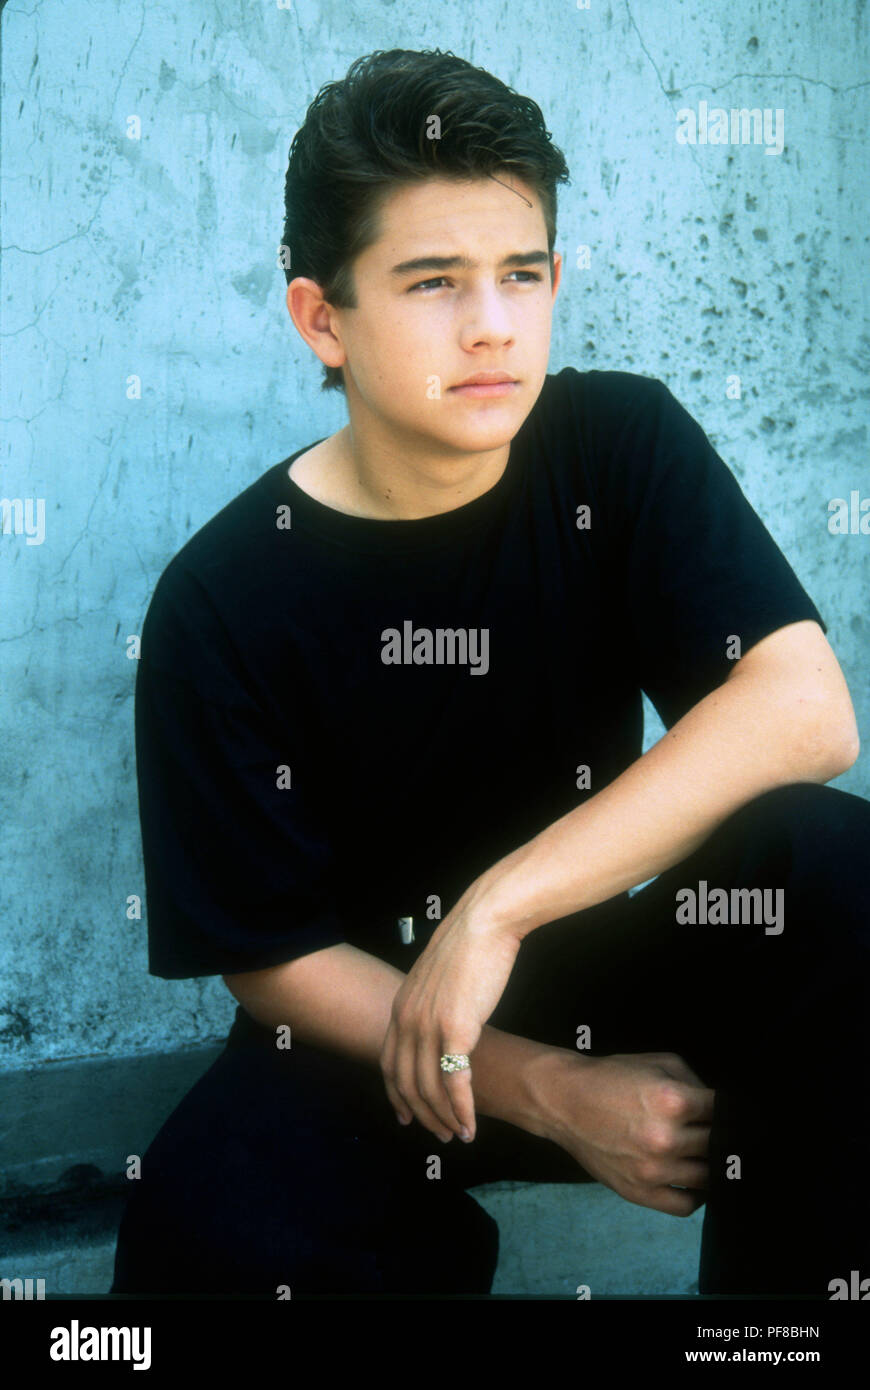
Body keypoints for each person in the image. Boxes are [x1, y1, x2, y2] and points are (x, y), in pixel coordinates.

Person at [110, 48, 867, 1298]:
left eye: (522, 274)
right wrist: (554, 1090)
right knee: (202, 1228)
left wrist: (496, 909)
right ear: (323, 317)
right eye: (432, 282)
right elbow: (272, 955)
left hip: (588, 955)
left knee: (835, 873)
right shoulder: (224, 596)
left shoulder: (613, 443)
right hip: (368, 1039)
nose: (493, 326)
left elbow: (803, 708)